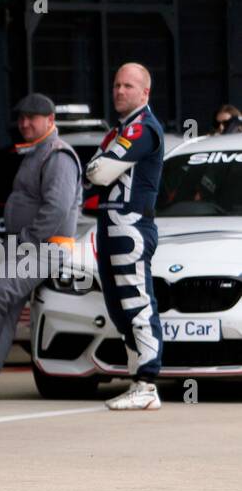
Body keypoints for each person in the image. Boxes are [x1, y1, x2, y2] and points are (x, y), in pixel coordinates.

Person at [0, 93, 82, 400]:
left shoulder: (58, 155)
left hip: (46, 247)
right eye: (21, 118)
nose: (25, 123)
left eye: (32, 118)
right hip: (28, 245)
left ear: (50, 120)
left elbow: (56, 208)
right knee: (5, 310)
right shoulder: (37, 152)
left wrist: (24, 242)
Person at [84, 63, 165, 411]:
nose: (119, 91)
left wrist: (98, 166)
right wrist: (97, 166)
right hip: (111, 224)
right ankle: (137, 381)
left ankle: (148, 383)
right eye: (116, 84)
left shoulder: (143, 128)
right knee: (118, 306)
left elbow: (98, 172)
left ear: (144, 93)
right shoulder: (121, 129)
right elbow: (95, 171)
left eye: (128, 86)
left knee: (136, 301)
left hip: (130, 226)